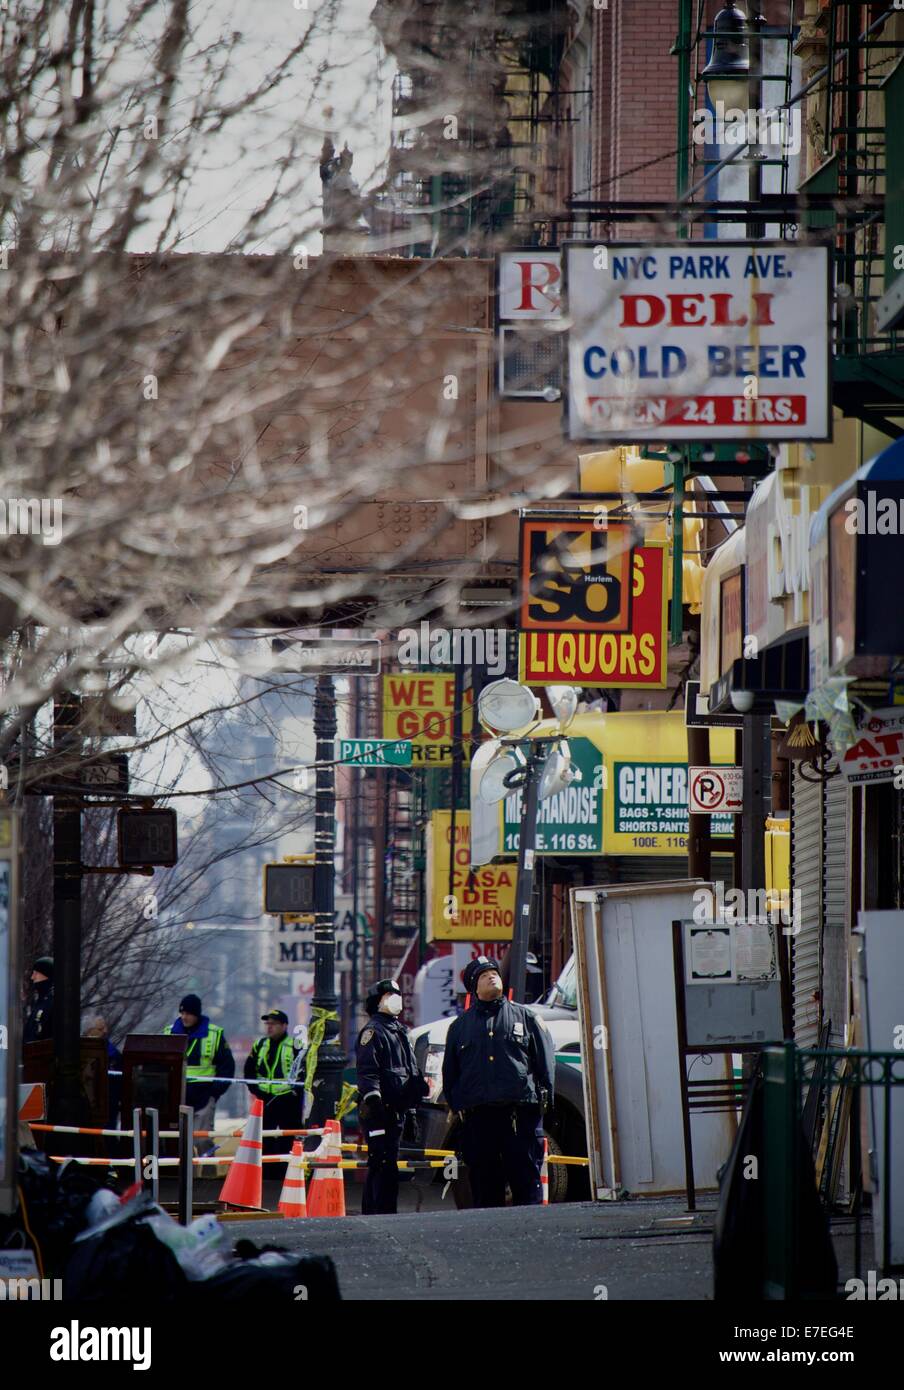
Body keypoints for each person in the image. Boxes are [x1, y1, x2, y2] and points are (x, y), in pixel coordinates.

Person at [442, 955, 555, 1209]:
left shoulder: (526, 1018)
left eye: (494, 973)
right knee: (485, 1189)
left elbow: (545, 1063)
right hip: (480, 1120)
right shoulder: (459, 1028)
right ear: (475, 988)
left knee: (527, 1186)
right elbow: (450, 1073)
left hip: (520, 1117)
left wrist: (543, 1104)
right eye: (484, 976)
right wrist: (460, 1105)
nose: (491, 977)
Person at [355, 978, 428, 1215]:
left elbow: (411, 1072)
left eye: (396, 994)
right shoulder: (372, 1032)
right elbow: (368, 1071)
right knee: (381, 1163)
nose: (394, 998)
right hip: (378, 1111)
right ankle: (377, 1214)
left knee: (388, 1164)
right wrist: (374, 1102)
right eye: (388, 995)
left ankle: (384, 1213)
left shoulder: (401, 1032)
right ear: (377, 1002)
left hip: (397, 1111)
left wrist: (412, 1112)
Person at [163, 994, 234, 1153]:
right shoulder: (169, 1032)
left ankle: (207, 1169)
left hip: (204, 1098)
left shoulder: (214, 1034)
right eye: (182, 1013)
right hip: (176, 1098)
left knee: (203, 1141)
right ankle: (186, 1171)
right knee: (180, 1144)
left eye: (188, 1013)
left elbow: (227, 1067)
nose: (184, 1017)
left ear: (197, 1014)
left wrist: (214, 1093)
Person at [243, 1009, 306, 1173]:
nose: (269, 1027)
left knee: (288, 1137)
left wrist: (294, 1093)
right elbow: (249, 1070)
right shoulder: (260, 1044)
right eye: (268, 1024)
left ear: (284, 1026)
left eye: (274, 1024)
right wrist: (256, 1091)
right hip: (264, 1098)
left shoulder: (295, 1045)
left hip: (288, 1100)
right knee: (265, 1137)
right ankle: (266, 1173)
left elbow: (303, 1072)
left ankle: (287, 1172)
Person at [84, 1017, 123, 1129]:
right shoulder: (82, 1050)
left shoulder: (112, 1052)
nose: (105, 1031)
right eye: (101, 1029)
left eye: (105, 1028)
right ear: (90, 1031)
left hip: (108, 1101)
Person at [23, 956, 54, 1046]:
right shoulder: (41, 1001)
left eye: (36, 973)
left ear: (46, 974)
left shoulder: (51, 1002)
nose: (32, 977)